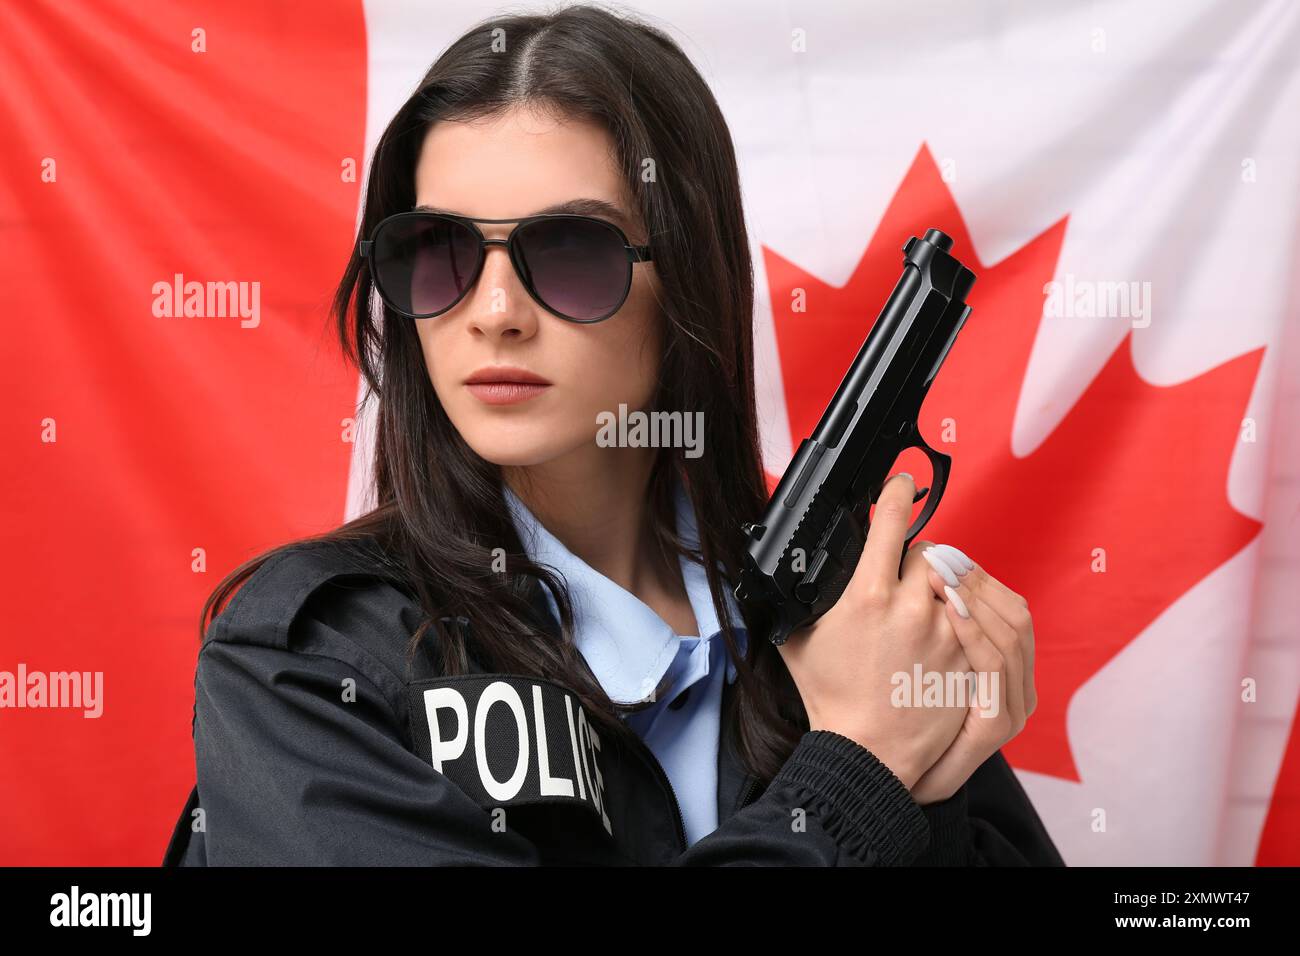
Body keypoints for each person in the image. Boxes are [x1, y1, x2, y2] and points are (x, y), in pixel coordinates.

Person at [163, 3, 1063, 867]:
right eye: (440, 252)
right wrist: (860, 774)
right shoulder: (312, 661)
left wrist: (935, 796)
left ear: (688, 282)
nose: (497, 314)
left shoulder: (849, 617)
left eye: (571, 252)